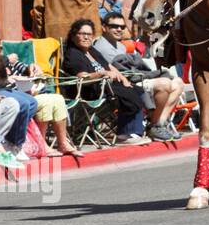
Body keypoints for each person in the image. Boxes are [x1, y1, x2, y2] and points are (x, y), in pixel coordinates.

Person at [61, 18, 150, 146]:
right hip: (90, 90)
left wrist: (124, 79)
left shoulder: (92, 50)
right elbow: (83, 78)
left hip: (105, 85)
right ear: (74, 35)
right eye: (82, 34)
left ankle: (136, 132)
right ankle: (124, 134)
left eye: (89, 34)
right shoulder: (73, 54)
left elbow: (109, 66)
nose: (86, 37)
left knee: (137, 90)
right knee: (127, 95)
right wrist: (102, 73)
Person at [93, 14, 182, 141]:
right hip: (123, 85)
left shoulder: (121, 46)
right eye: (114, 26)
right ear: (104, 27)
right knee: (164, 83)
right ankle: (156, 126)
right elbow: (120, 71)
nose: (119, 29)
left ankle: (158, 124)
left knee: (178, 83)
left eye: (122, 27)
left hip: (135, 79)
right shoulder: (101, 47)